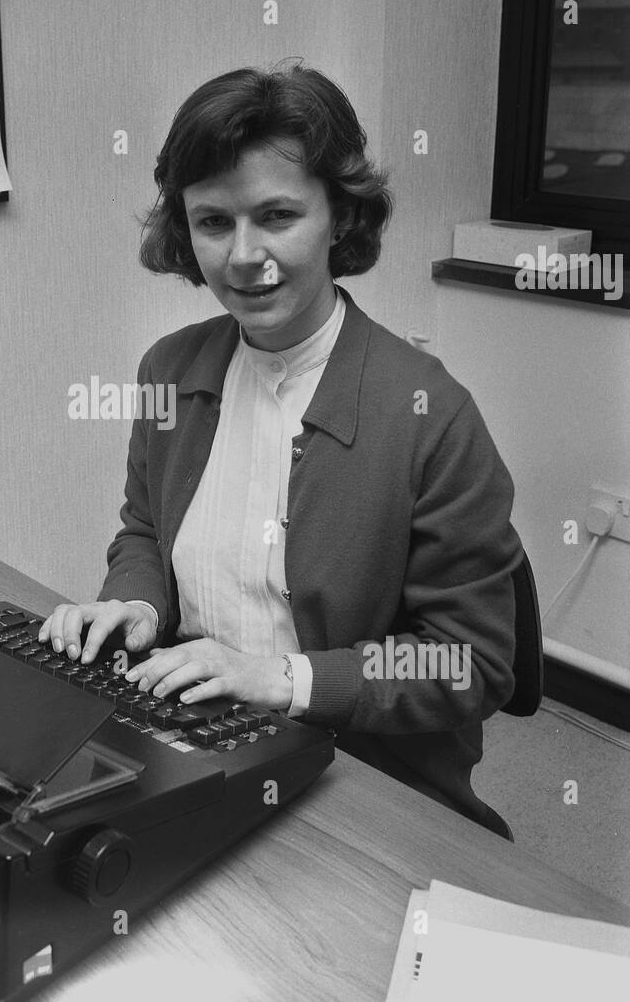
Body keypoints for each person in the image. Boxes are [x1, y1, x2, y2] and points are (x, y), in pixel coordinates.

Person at [40, 63, 522, 835]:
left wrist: (282, 678)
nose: (242, 255)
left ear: (339, 218)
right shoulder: (170, 369)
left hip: (360, 784)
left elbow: (466, 662)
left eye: (276, 215)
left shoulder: (429, 414)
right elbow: (143, 532)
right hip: (193, 739)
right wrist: (135, 601)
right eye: (212, 222)